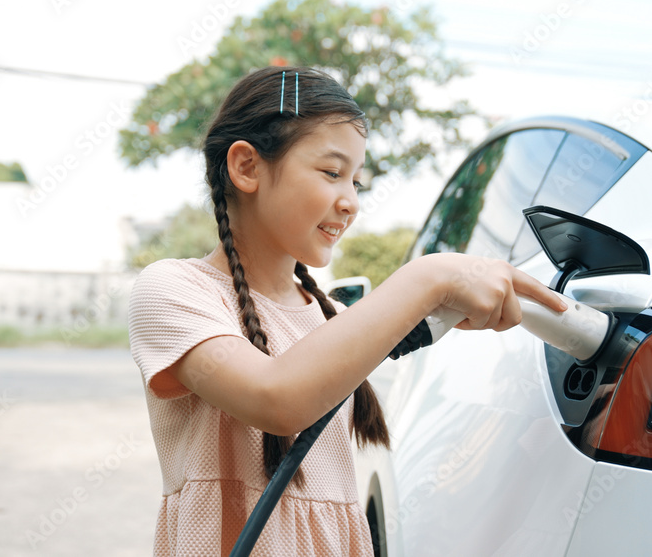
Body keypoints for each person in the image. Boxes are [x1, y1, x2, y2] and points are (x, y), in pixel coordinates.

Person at [127, 65, 567, 557]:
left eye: (357, 181)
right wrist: (429, 276)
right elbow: (276, 400)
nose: (351, 202)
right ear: (247, 167)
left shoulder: (334, 316)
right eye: (332, 173)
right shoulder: (173, 289)